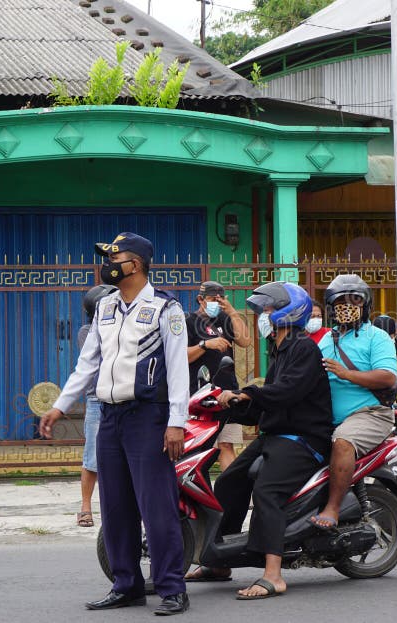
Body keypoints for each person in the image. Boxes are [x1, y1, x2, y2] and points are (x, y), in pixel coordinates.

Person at [39, 232, 191, 614]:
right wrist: (60, 406)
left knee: (156, 506)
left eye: (113, 256)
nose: (106, 262)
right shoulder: (105, 307)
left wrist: (176, 422)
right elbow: (87, 363)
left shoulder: (164, 308)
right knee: (116, 506)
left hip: (148, 418)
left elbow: (177, 369)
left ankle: (173, 587)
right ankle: (127, 585)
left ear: (135, 263)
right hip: (111, 417)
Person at [184, 282, 333, 600]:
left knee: (267, 490)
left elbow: (286, 392)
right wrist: (232, 406)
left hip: (304, 438)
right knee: (227, 483)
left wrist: (245, 393)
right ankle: (219, 562)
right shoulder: (280, 350)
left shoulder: (303, 348)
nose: (262, 316)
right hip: (277, 436)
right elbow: (267, 403)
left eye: (266, 310)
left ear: (286, 312)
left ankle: (273, 574)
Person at [309, 274, 397, 530]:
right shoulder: (326, 339)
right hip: (329, 417)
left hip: (370, 413)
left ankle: (332, 508)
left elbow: (388, 377)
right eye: (340, 302)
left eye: (354, 300)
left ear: (365, 305)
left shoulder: (376, 337)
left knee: (343, 442)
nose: (346, 307)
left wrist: (346, 374)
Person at [186, 280, 251, 472]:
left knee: (227, 444)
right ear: (200, 299)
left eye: (220, 299)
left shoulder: (225, 319)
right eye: (213, 299)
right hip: (200, 394)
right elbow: (181, 356)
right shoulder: (188, 320)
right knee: (200, 446)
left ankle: (227, 496)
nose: (217, 302)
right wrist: (205, 345)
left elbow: (245, 341)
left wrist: (231, 312)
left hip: (228, 391)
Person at [76, 283, 117, 528]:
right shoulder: (87, 331)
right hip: (97, 401)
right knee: (92, 458)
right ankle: (85, 507)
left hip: (121, 399)